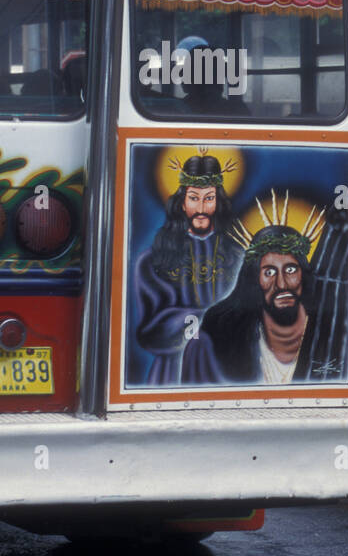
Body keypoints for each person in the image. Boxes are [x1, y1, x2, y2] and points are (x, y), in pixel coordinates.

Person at [132, 154, 243, 385]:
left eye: (209, 198)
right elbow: (149, 333)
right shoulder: (153, 259)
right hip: (172, 371)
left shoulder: (237, 255)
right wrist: (204, 319)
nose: (201, 208)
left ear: (218, 202)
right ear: (182, 203)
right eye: (194, 198)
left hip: (225, 370)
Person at [182, 223, 315, 385]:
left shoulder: (329, 331)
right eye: (269, 272)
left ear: (303, 274)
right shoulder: (213, 342)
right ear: (255, 279)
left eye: (291, 270)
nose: (282, 284)